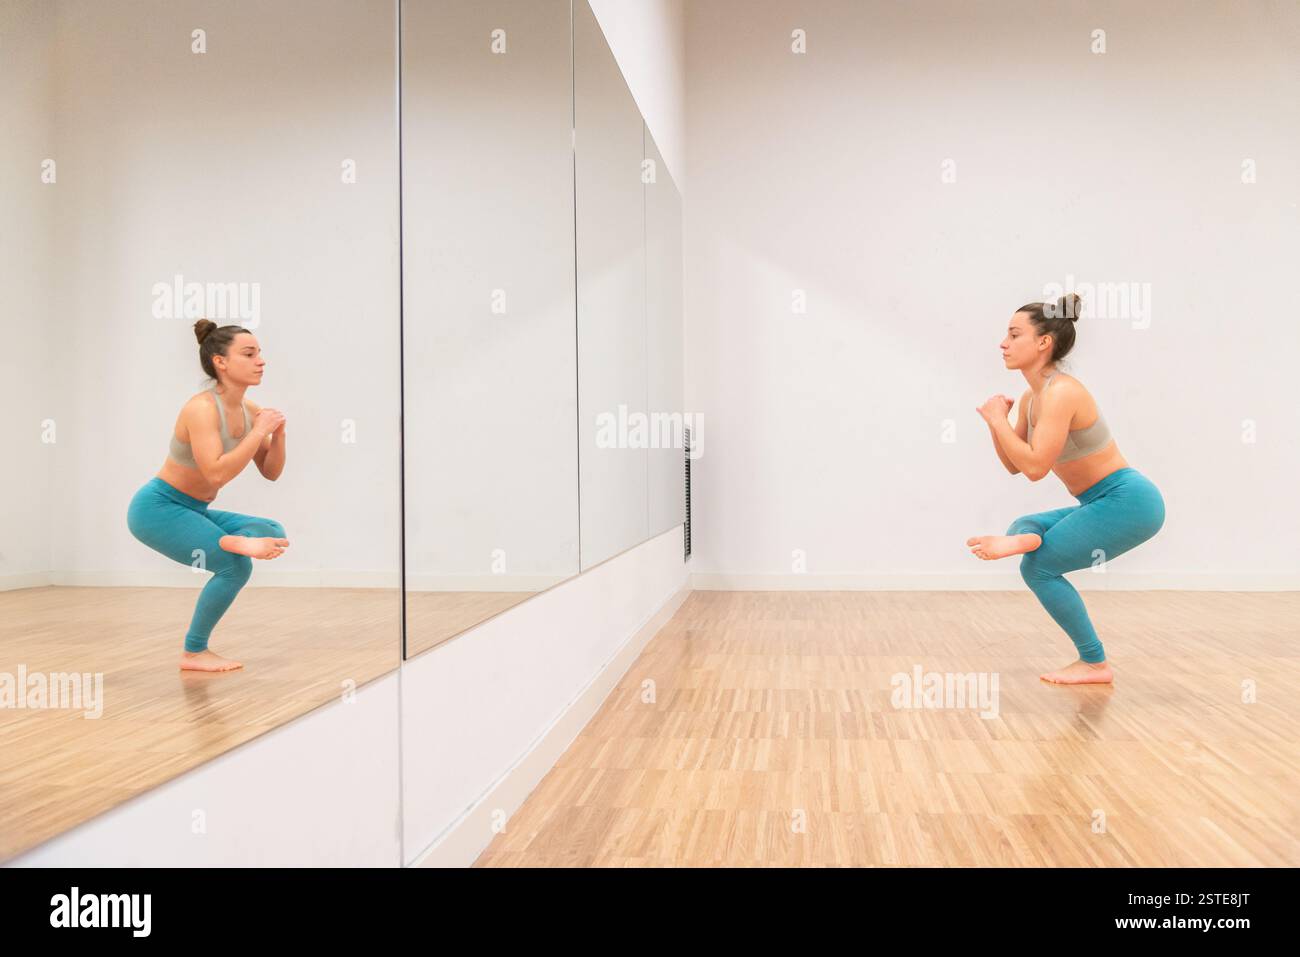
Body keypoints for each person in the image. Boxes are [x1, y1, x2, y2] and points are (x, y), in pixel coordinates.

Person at [968, 293, 1165, 685]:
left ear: (1043, 343)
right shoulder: (1030, 399)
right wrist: (998, 423)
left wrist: (996, 420)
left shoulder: (1062, 392)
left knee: (1039, 570)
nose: (1002, 343)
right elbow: (1014, 464)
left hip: (1128, 500)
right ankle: (1028, 538)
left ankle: (1094, 663)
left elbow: (1037, 467)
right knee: (1025, 522)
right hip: (1099, 500)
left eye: (1013, 334)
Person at [126, 319, 288, 672]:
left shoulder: (248, 411)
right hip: (157, 509)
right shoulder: (200, 408)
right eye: (249, 354)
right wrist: (259, 430)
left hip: (195, 508)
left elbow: (271, 472)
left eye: (260, 353)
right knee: (234, 567)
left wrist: (278, 436)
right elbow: (216, 472)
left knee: (273, 530)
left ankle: (234, 541)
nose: (261, 361)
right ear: (221, 361)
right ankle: (194, 652)